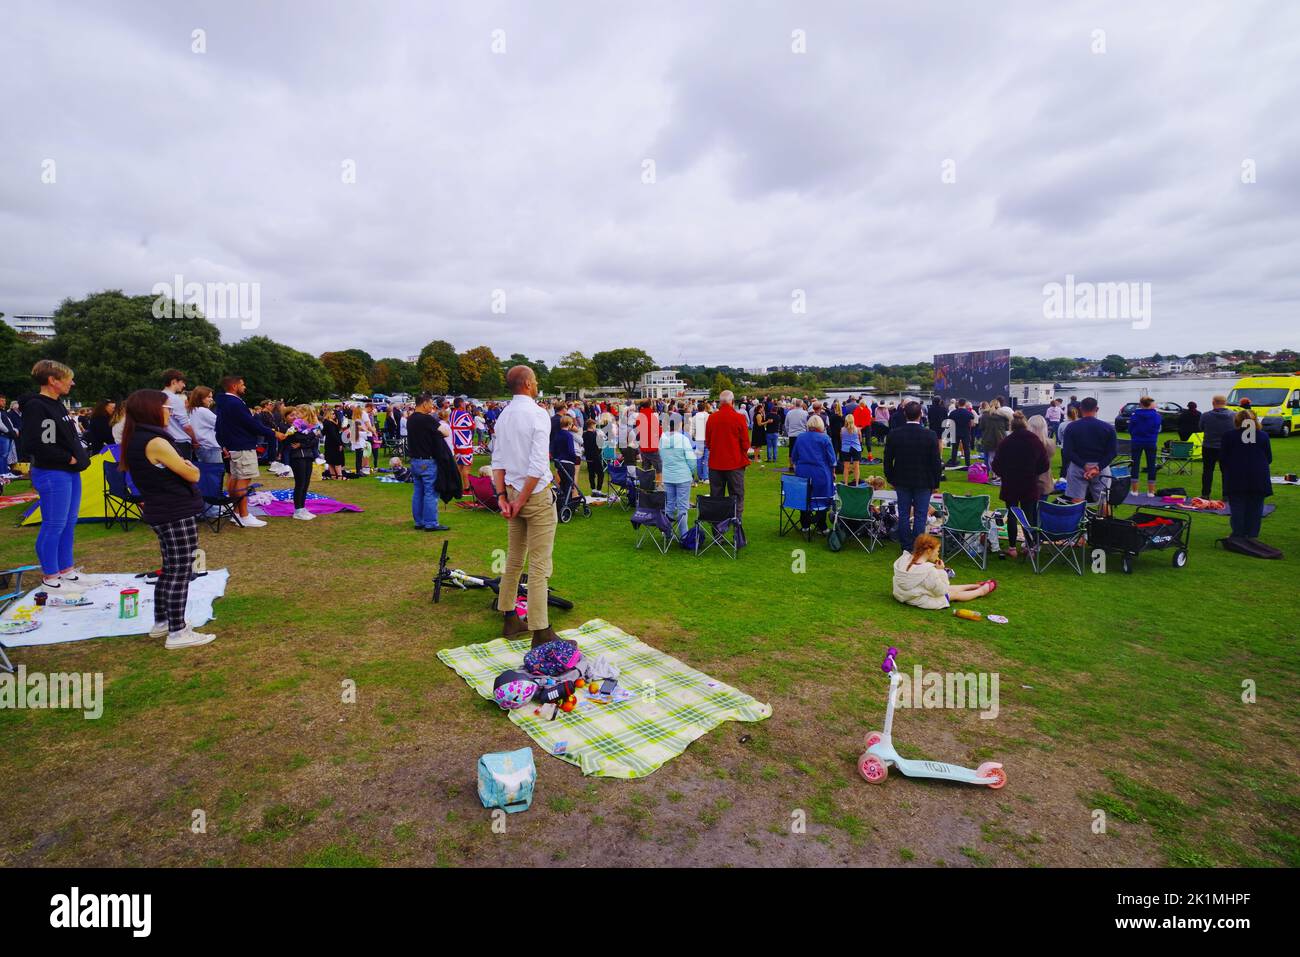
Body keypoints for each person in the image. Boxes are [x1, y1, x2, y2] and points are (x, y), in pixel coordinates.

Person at [120, 389, 214, 648]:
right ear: (151, 409)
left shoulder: (136, 437)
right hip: (174, 509)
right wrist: (190, 467)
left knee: (170, 568)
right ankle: (177, 631)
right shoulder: (155, 441)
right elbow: (192, 474)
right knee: (181, 570)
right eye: (167, 408)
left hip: (162, 508)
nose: (170, 414)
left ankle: (162, 621)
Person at [492, 366, 559, 648]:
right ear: (529, 383)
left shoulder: (504, 415)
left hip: (511, 491)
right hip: (534, 495)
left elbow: (497, 461)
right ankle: (540, 630)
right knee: (539, 564)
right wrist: (517, 500)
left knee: (515, 558)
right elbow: (538, 465)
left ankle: (509, 616)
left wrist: (502, 497)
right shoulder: (537, 414)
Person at [19, 360, 91, 589]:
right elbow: (39, 444)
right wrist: (68, 458)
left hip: (69, 472)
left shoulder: (57, 404)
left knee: (69, 523)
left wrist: (77, 458)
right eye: (68, 379)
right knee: (54, 524)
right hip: (53, 473)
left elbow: (58, 438)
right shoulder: (37, 406)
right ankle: (50, 576)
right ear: (53, 380)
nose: (72, 383)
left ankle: (66, 569)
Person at [214, 374, 279, 527]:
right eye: (242, 384)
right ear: (234, 386)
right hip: (242, 446)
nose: (245, 387)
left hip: (233, 446)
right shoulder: (234, 403)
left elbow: (219, 427)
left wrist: (223, 444)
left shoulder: (223, 403)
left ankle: (236, 513)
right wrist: (273, 433)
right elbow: (251, 424)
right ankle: (244, 515)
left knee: (235, 477)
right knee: (243, 480)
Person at [883, 401, 944, 553]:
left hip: (903, 480)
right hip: (922, 481)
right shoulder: (929, 435)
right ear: (920, 414)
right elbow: (936, 462)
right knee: (920, 515)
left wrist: (891, 478)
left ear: (905, 414)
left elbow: (887, 460)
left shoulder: (895, 434)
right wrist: (935, 482)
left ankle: (907, 545)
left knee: (904, 514)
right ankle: (915, 546)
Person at [991, 413, 1051, 559]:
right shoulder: (1035, 441)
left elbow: (996, 465)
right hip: (1029, 483)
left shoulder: (1006, 442)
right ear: (1025, 424)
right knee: (1028, 516)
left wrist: (1005, 473)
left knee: (1012, 515)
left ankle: (1012, 548)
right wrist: (1033, 472)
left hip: (1010, 484)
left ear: (1011, 426)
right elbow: (1044, 464)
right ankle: (1030, 547)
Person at [892, 534, 995, 609]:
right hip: (918, 599)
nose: (938, 553)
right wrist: (941, 571)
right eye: (937, 551)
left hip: (903, 593)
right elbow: (942, 591)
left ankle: (975, 585)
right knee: (953, 594)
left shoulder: (904, 559)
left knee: (947, 588)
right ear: (929, 551)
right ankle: (981, 591)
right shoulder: (928, 570)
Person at [1219, 409, 1272, 541]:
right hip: (1258, 475)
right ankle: (1252, 534)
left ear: (1237, 421)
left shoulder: (1228, 436)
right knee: (1256, 506)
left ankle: (1238, 534)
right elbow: (1268, 458)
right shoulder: (1263, 436)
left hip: (1236, 475)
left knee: (1237, 505)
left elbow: (1223, 458)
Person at [1061, 397, 1117, 509]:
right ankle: (1104, 520)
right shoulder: (1108, 428)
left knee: (1077, 501)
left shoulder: (1072, 427)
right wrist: (1097, 468)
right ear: (1097, 409)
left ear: (1080, 409)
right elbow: (1112, 452)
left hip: (1078, 466)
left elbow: (1067, 451)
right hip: (1101, 467)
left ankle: (1078, 520)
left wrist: (1084, 465)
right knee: (1103, 502)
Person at [704, 389, 750, 525]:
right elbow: (745, 444)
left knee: (716, 497)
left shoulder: (712, 418)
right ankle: (737, 527)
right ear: (732, 402)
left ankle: (717, 529)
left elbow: (708, 442)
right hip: (734, 463)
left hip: (716, 463)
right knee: (736, 496)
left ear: (720, 402)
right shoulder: (739, 418)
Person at [406, 393, 450, 531]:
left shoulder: (410, 419)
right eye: (431, 403)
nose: (432, 406)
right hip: (427, 461)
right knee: (430, 492)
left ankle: (419, 521)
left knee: (418, 492)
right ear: (424, 403)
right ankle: (431, 523)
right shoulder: (427, 419)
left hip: (415, 460)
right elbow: (445, 432)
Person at [790, 414, 837, 532]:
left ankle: (805, 524)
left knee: (804, 496)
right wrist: (833, 472)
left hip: (803, 472)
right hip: (820, 472)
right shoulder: (825, 438)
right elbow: (832, 459)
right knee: (822, 497)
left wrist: (796, 466)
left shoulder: (800, 437)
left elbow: (794, 456)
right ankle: (821, 525)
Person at [659, 414, 697, 538]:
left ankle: (668, 533)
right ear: (679, 424)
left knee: (670, 505)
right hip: (682, 477)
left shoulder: (662, 439)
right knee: (682, 507)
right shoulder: (683, 439)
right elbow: (691, 459)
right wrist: (691, 471)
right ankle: (684, 535)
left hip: (669, 476)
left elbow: (661, 456)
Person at [280, 405, 320, 520]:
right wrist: (311, 435)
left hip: (308, 456)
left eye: (297, 414)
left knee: (306, 483)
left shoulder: (307, 425)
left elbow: (314, 440)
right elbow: (297, 438)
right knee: (300, 483)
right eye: (292, 414)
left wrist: (303, 443)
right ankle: (298, 509)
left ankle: (302, 508)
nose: (295, 416)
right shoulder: (290, 427)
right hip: (297, 457)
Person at [1200, 395, 1236, 499]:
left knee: (1207, 471)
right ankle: (1227, 495)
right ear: (1225, 403)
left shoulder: (1205, 415)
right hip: (1227, 447)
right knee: (1227, 472)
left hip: (1209, 446)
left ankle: (1205, 494)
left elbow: (1201, 427)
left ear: (1213, 403)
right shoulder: (1234, 415)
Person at [1127, 396, 1163, 496]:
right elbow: (1158, 427)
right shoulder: (1157, 416)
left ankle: (1135, 490)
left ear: (1141, 404)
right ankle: (1151, 491)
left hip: (1137, 441)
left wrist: (1135, 435)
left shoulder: (1134, 415)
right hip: (1151, 442)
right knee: (1151, 465)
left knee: (1135, 465)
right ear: (1150, 404)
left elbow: (1130, 429)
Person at [162, 369, 198, 461]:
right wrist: (195, 441)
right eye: (182, 382)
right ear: (174, 382)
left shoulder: (157, 396)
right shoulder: (175, 399)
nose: (184, 385)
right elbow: (186, 426)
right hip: (180, 443)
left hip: (164, 441)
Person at [451, 397, 475, 493]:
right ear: (461, 404)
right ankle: (467, 488)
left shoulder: (451, 414)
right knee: (466, 466)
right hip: (465, 444)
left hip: (456, 444)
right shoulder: (465, 414)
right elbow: (473, 426)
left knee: (459, 467)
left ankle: (459, 487)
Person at [946, 398, 975, 467]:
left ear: (958, 404)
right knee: (966, 448)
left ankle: (953, 462)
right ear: (965, 404)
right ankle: (967, 463)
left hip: (955, 432)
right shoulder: (969, 413)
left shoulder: (953, 413)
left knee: (954, 448)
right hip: (965, 432)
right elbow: (972, 424)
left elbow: (950, 424)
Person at [979, 401, 1008, 467]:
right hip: (1001, 439)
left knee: (988, 458)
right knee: (1001, 458)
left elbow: (981, 427)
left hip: (988, 439)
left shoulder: (984, 415)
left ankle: (989, 471)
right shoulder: (1003, 416)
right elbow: (1007, 428)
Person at [321, 406, 347, 480]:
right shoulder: (329, 423)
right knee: (337, 460)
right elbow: (333, 435)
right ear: (328, 414)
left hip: (328, 443)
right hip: (334, 443)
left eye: (334, 414)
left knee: (330, 461)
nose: (334, 415)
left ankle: (333, 475)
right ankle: (339, 476)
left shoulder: (327, 422)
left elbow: (323, 433)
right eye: (332, 414)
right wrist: (339, 444)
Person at [582, 417, 605, 494]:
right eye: (595, 425)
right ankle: (598, 489)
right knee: (600, 473)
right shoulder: (596, 435)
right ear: (592, 425)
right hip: (596, 456)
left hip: (588, 456)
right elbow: (600, 446)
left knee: (591, 473)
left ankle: (593, 489)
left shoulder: (584, 434)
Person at [841, 413, 863, 486]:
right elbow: (860, 439)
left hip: (845, 449)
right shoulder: (857, 429)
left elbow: (841, 439)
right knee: (856, 467)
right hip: (856, 448)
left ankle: (846, 483)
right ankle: (856, 483)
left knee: (846, 467)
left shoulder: (842, 429)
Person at [783, 399, 809, 464]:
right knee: (801, 449)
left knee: (791, 450)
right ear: (801, 404)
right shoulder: (805, 413)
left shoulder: (789, 413)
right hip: (802, 434)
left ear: (795, 404)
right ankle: (800, 463)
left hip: (792, 434)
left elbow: (786, 424)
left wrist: (789, 432)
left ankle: (791, 464)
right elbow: (807, 424)